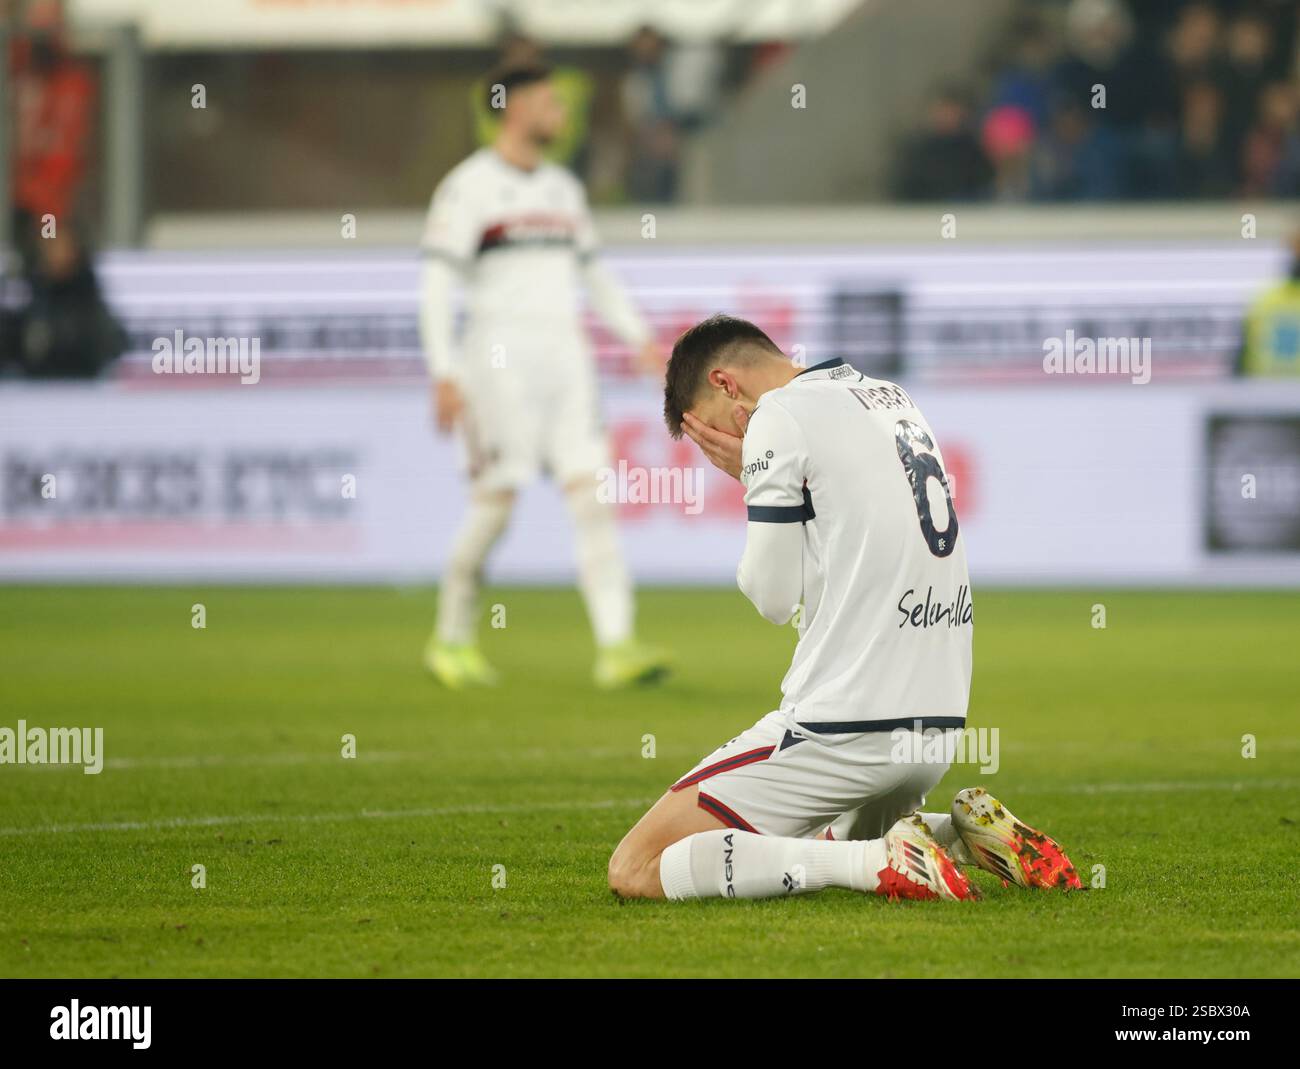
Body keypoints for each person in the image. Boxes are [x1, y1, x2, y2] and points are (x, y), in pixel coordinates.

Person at [608, 315, 1081, 901]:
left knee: (637, 866)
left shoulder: (778, 416)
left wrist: (753, 478)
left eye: (715, 432)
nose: (727, 446)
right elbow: (841, 558)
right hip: (933, 733)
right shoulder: (891, 397)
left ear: (727, 384)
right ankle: (955, 839)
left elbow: (773, 598)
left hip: (844, 730)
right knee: (819, 837)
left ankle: (881, 866)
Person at [419, 62, 670, 690]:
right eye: (549, 101)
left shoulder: (562, 187)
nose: (561, 112)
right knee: (495, 505)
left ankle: (617, 647)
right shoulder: (468, 187)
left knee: (593, 499)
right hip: (496, 366)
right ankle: (450, 638)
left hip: (567, 362)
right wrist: (445, 372)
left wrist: (640, 338)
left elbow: (595, 276)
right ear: (515, 106)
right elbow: (436, 284)